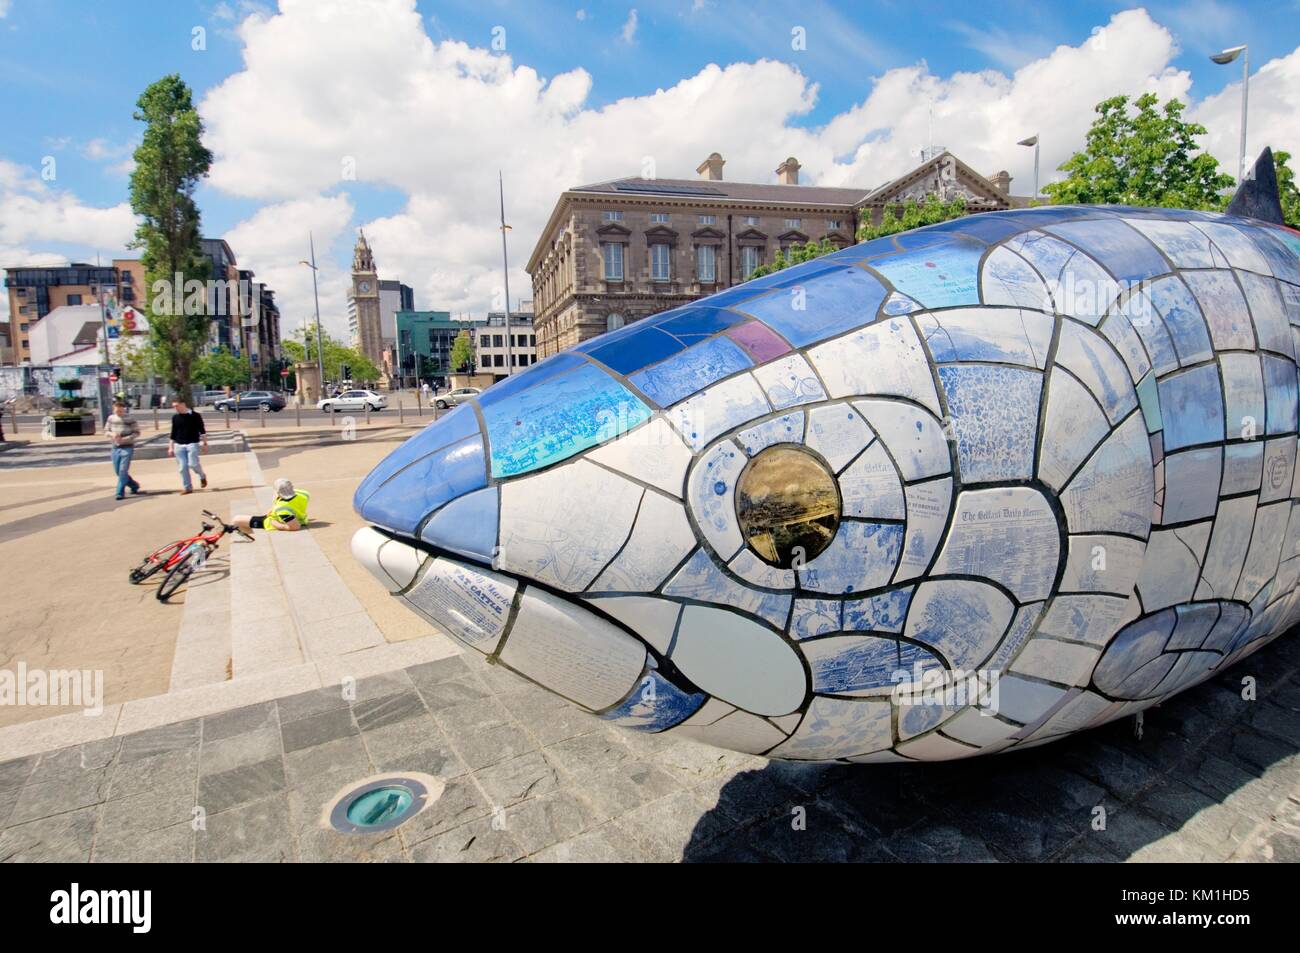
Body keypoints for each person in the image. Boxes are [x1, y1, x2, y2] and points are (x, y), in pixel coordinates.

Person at [233, 478, 310, 533]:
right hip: (299, 517)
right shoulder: (303, 494)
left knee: (236, 520)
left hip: (270, 521)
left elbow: (295, 527)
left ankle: (250, 537)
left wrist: (278, 525)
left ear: (279, 493)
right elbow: (295, 505)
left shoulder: (282, 509)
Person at [168, 396, 208, 495]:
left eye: (177, 406)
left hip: (192, 443)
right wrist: (170, 447)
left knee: (193, 464)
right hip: (179, 445)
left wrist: (205, 443)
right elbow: (173, 433)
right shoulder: (175, 417)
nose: (175, 408)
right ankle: (188, 487)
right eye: (174, 407)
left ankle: (202, 476)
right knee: (182, 467)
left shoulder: (195, 416)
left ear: (183, 404)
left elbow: (202, 430)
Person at [105, 398, 143, 500]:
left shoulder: (130, 419)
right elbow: (106, 431)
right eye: (117, 411)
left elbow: (137, 432)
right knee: (118, 471)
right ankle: (133, 485)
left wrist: (126, 439)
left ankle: (119, 492)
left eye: (121, 411)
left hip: (127, 447)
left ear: (124, 409)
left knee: (123, 470)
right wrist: (112, 434)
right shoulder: (111, 418)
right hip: (115, 447)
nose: (119, 413)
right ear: (114, 410)